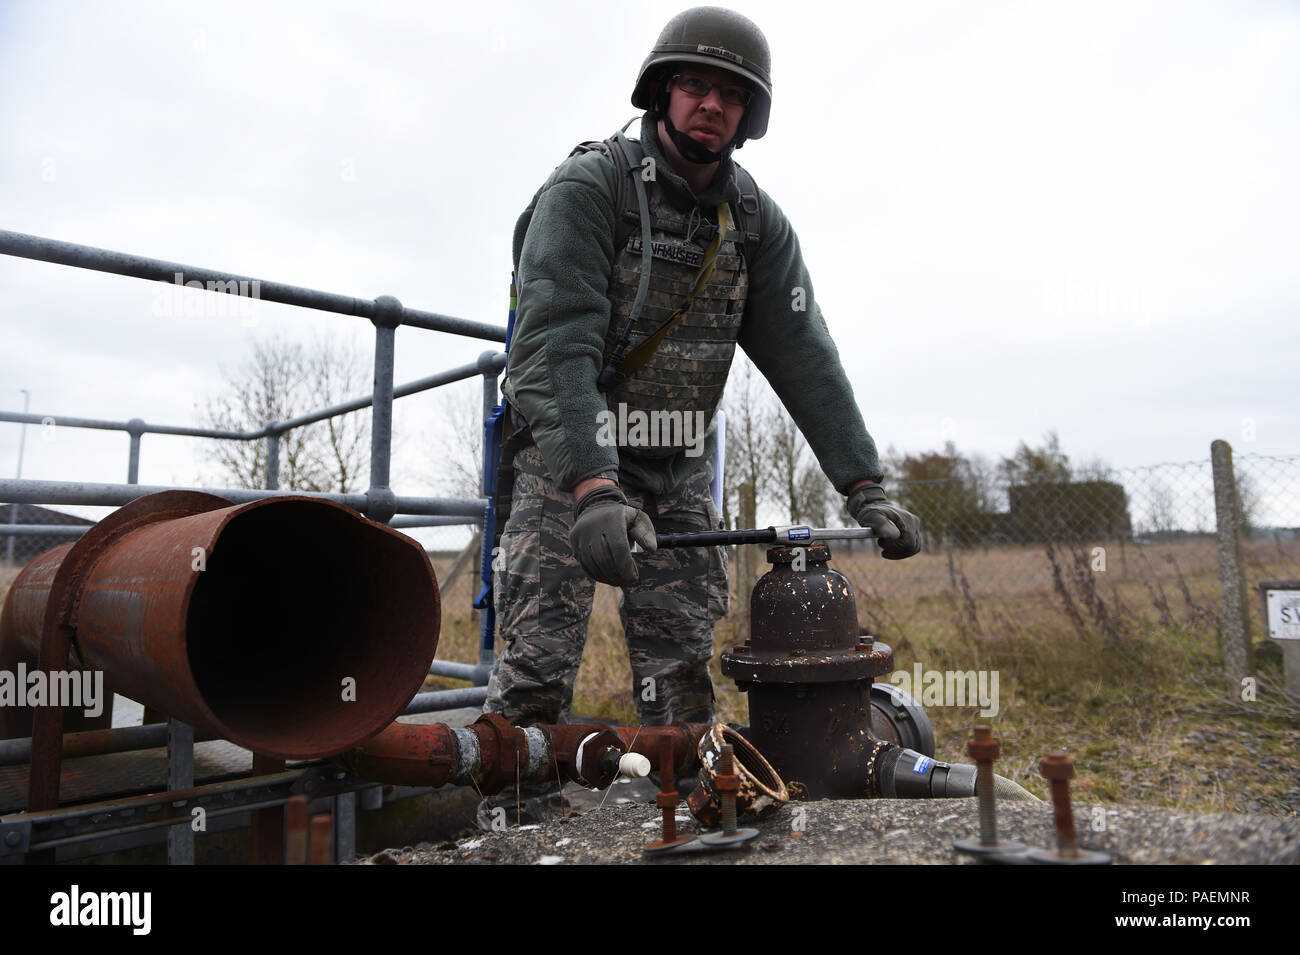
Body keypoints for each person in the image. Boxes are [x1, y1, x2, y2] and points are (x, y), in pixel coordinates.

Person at [482, 6, 921, 736]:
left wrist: (863, 484)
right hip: (566, 464)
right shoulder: (590, 190)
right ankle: (515, 829)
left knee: (681, 681)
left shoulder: (753, 221)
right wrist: (593, 486)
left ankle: (681, 813)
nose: (712, 104)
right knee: (534, 671)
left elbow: (804, 351)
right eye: (694, 85)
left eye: (732, 93)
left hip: (675, 465)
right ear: (661, 92)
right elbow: (554, 348)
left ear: (749, 115)